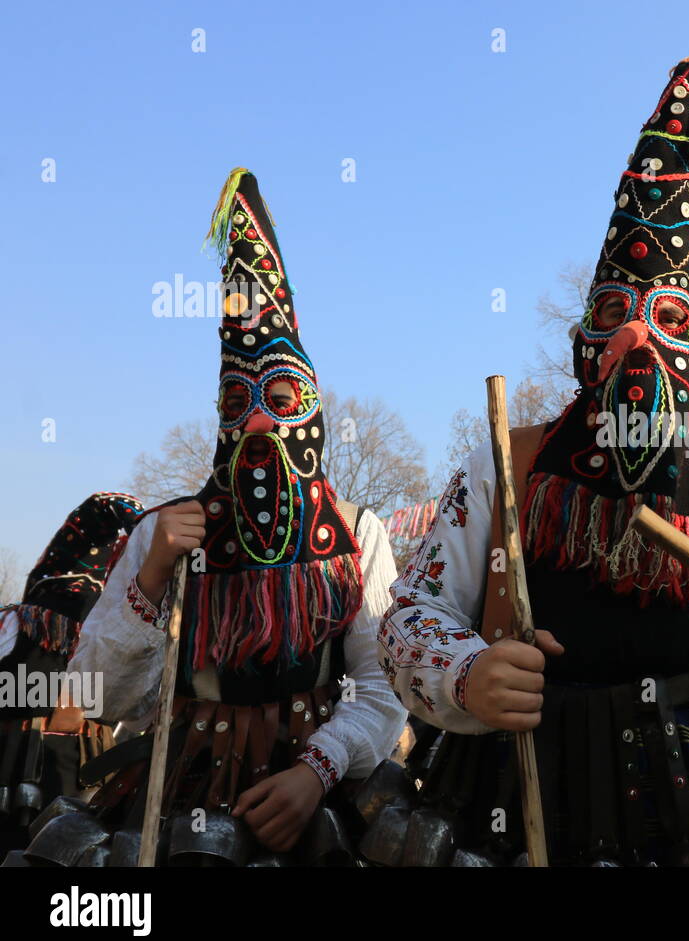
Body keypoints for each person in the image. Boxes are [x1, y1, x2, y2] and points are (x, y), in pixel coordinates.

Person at [376, 54, 689, 866]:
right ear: (582, 342)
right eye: (611, 315)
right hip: (516, 801)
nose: (635, 342)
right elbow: (408, 612)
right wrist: (467, 671)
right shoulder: (507, 465)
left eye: (663, 319)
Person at [23, 169, 406, 867]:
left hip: (319, 795)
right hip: (176, 797)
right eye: (238, 402)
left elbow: (383, 686)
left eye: (281, 397)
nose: (258, 419)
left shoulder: (357, 534)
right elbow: (98, 697)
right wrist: (152, 576)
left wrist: (317, 769)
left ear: (313, 415)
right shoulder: (164, 533)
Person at [0, 492, 142, 856]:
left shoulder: (13, 623)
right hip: (88, 782)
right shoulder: (115, 634)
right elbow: (137, 715)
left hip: (20, 774)